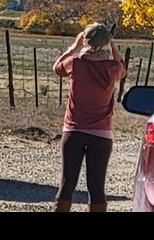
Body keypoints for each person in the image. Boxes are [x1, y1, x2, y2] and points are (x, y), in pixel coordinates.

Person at [52, 22, 127, 212]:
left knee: (67, 184)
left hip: (73, 130)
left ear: (86, 40)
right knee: (96, 188)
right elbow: (122, 67)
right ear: (107, 43)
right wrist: (114, 48)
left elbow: (57, 68)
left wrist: (74, 47)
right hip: (101, 134)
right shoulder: (112, 68)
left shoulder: (75, 64)